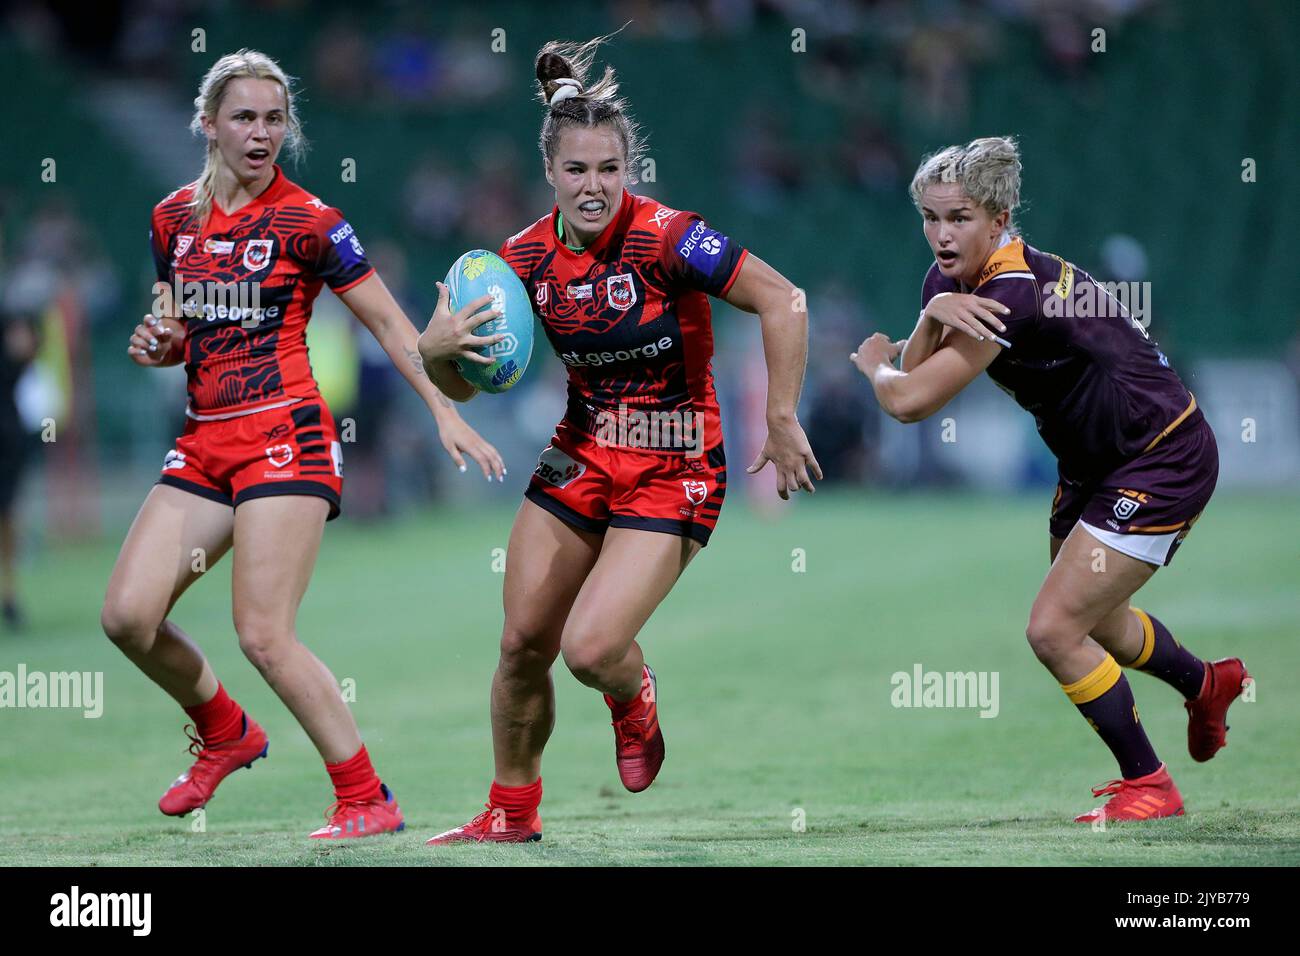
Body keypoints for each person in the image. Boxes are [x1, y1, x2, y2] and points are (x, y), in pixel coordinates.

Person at [418, 36, 821, 843]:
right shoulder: (520, 260)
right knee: (521, 642)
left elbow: (785, 299)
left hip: (676, 460)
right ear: (551, 175)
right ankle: (510, 815)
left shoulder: (670, 237)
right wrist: (437, 355)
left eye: (609, 169)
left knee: (592, 648)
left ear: (627, 167)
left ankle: (632, 695)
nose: (594, 186)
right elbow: (472, 381)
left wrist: (780, 417)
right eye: (577, 170)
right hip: (581, 450)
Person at [100, 49, 505, 839]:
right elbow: (176, 325)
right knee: (126, 618)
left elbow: (389, 324)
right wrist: (158, 343)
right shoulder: (169, 219)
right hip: (204, 444)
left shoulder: (311, 221)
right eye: (244, 117)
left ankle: (367, 799)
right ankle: (225, 730)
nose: (261, 132)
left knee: (262, 633)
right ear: (208, 124)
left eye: (274, 118)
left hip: (286, 437)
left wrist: (443, 407)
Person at [851, 136, 1250, 823]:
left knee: (1054, 630)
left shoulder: (1012, 292)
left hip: (1160, 456)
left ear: (1000, 219)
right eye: (931, 217)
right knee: (1100, 624)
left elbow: (909, 400)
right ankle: (1206, 682)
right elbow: (920, 357)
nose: (941, 236)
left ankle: (1149, 784)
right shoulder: (953, 278)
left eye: (960, 218)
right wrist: (927, 316)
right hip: (1094, 466)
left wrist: (871, 365)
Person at [0, 309, 39, 631]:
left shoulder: (9, 313)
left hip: (5, 434)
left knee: (7, 514)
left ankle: (10, 594)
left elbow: (25, 349)